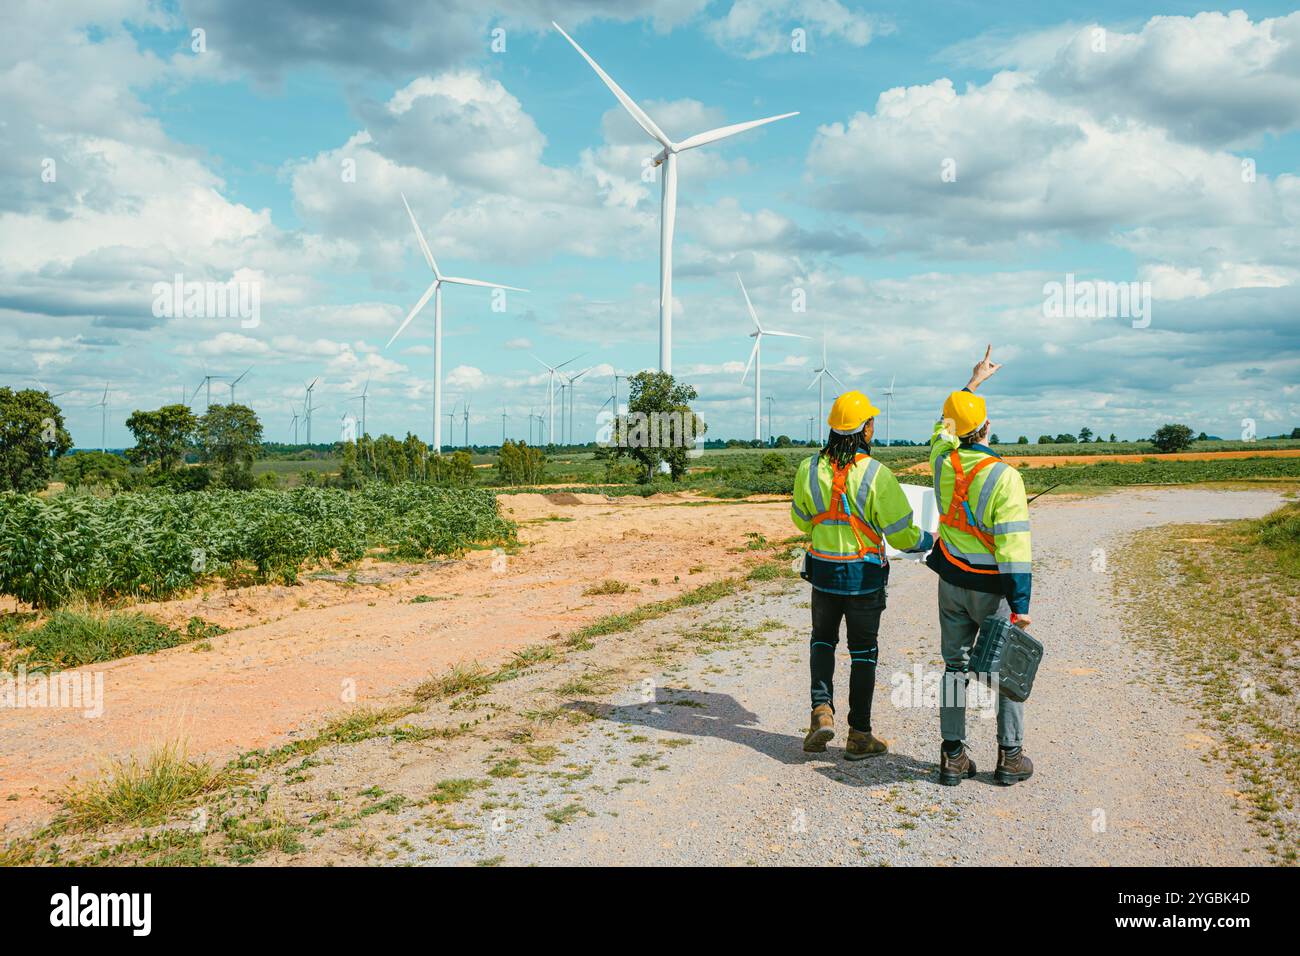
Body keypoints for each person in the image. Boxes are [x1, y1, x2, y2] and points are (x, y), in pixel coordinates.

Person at [790, 390, 934, 759]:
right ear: (865, 429)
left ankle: (821, 711)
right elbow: (901, 533)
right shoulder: (876, 474)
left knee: (822, 642)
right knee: (863, 653)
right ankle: (859, 735)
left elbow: (800, 519)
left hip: (823, 573)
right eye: (872, 421)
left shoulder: (808, 468)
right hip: (864, 579)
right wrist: (927, 539)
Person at [927, 346, 1034, 786]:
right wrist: (1020, 603)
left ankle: (953, 757)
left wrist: (971, 385)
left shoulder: (941, 460)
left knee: (955, 669)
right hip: (991, 588)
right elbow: (1014, 546)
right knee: (1005, 671)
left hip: (951, 582)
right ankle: (1009, 758)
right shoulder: (1005, 476)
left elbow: (943, 427)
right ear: (988, 427)